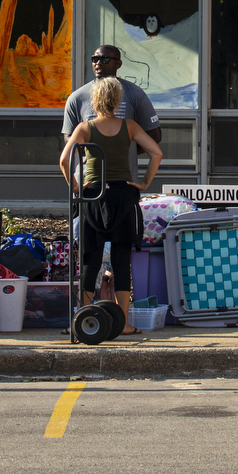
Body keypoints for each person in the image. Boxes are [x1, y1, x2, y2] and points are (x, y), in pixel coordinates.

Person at [59, 77, 163, 334]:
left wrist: (75, 186)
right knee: (120, 261)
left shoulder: (85, 127)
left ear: (94, 100)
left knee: (90, 262)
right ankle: (124, 324)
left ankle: (78, 321)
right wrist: (144, 183)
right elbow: (156, 152)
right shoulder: (129, 126)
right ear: (118, 100)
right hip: (122, 197)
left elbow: (64, 159)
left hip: (93, 197)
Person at [62, 45, 161, 184]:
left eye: (105, 59)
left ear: (118, 64)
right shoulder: (77, 97)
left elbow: (154, 136)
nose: (98, 63)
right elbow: (68, 139)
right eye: (95, 59)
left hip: (124, 181)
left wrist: (121, 151)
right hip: (88, 183)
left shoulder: (135, 94)